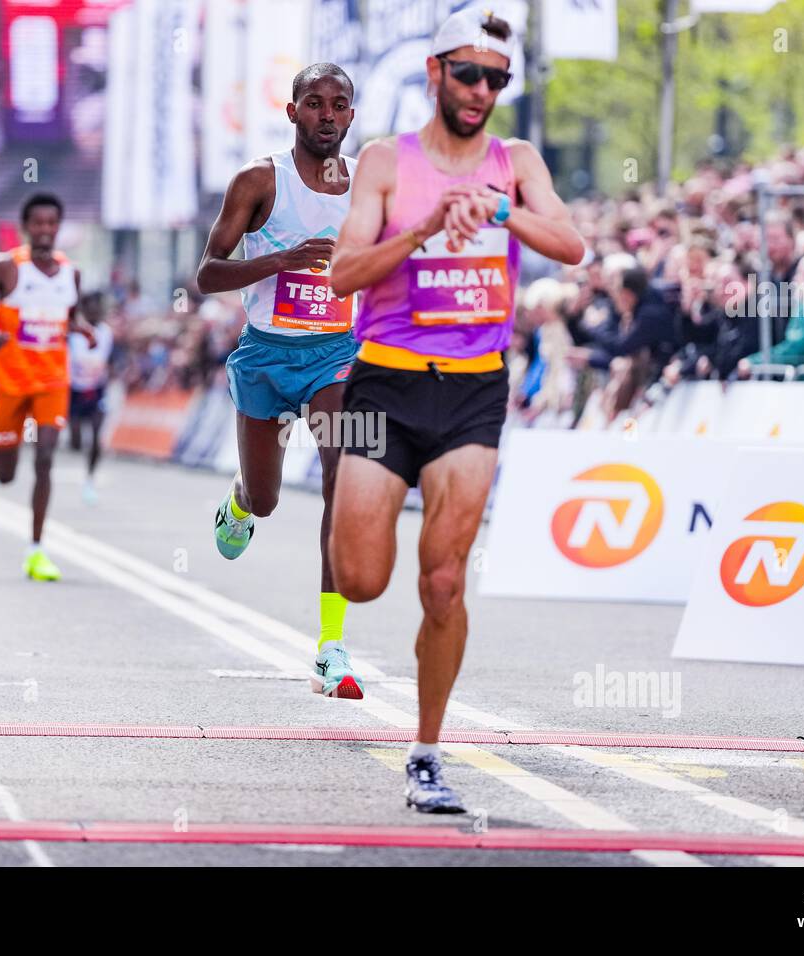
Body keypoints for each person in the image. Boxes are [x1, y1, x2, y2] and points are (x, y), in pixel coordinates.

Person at [328, 9, 583, 812]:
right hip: (385, 381)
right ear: (435, 73)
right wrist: (428, 226)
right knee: (360, 579)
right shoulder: (383, 163)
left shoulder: (517, 162)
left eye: (496, 80)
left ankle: (427, 751)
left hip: (471, 387)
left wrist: (501, 211)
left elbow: (571, 245)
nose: (481, 92)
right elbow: (342, 275)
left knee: (442, 581)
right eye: (468, 75)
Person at [196, 63, 364, 699]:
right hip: (266, 354)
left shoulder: (369, 185)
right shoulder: (260, 181)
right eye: (314, 103)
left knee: (341, 475)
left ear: (351, 115)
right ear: (292, 112)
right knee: (266, 498)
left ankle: (331, 645)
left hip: (335, 353)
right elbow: (208, 274)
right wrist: (280, 261)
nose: (326, 114)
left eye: (338, 104)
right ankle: (240, 501)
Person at [0, 193, 96, 581]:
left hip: (53, 380)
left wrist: (82, 328)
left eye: (51, 223)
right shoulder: (6, 267)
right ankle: (3, 445)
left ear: (59, 227)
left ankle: (36, 549)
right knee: (6, 472)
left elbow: (68, 316)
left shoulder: (71, 273)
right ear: (26, 227)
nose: (44, 230)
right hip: (10, 381)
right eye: (37, 223)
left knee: (44, 458)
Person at [68, 291, 118, 505]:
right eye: (92, 307)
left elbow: (112, 359)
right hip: (74, 392)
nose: (97, 311)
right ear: (84, 310)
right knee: (76, 441)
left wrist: (112, 373)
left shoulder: (107, 333)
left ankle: (89, 480)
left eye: (100, 307)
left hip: (97, 392)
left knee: (97, 438)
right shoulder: (73, 334)